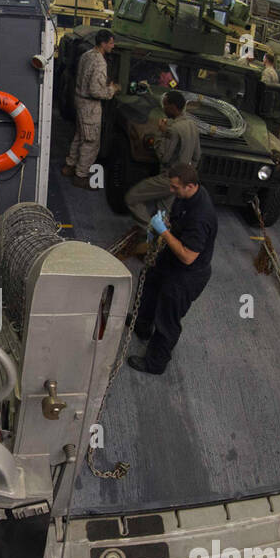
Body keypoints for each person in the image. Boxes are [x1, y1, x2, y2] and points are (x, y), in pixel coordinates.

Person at [128, 163, 218, 375]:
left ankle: (155, 363)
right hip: (170, 260)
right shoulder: (187, 196)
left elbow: (187, 257)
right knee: (149, 283)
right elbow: (175, 220)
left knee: (167, 318)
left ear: (190, 186)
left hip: (187, 275)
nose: (171, 191)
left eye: (175, 188)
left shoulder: (201, 217)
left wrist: (164, 233)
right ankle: (142, 325)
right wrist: (160, 227)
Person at [124, 90, 201, 225]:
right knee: (163, 212)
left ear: (172, 107)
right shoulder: (192, 125)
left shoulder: (173, 129)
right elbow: (197, 155)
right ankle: (158, 238)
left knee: (132, 197)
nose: (164, 108)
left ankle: (149, 228)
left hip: (169, 177)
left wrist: (160, 133)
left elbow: (164, 157)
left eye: (165, 105)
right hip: (182, 179)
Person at [63, 29, 120, 188]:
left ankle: (70, 165)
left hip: (79, 100)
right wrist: (112, 90)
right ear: (103, 43)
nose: (113, 46)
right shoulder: (100, 62)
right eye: (111, 43)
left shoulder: (87, 55)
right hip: (90, 106)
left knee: (80, 135)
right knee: (91, 141)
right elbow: (95, 91)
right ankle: (81, 175)